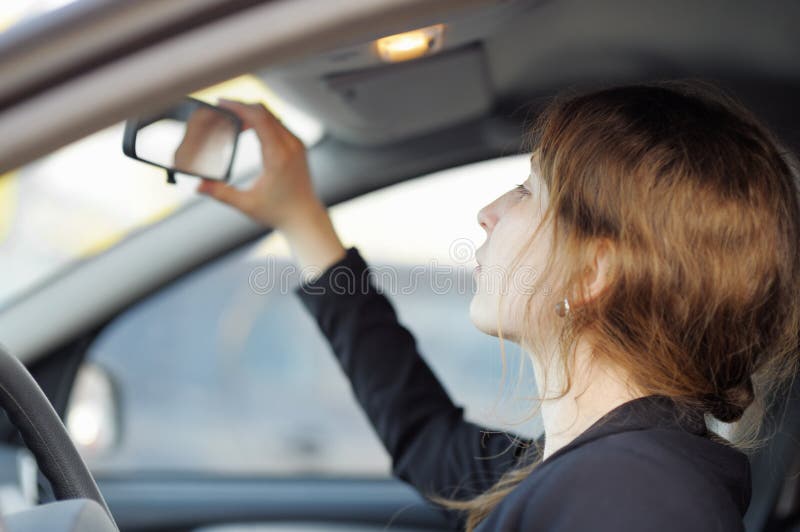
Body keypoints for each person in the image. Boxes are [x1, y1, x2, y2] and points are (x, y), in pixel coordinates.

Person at [197, 82, 800, 531]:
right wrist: (300, 217)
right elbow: (422, 435)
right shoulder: (590, 465)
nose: (489, 211)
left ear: (593, 271)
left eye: (528, 191)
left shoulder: (627, 494)